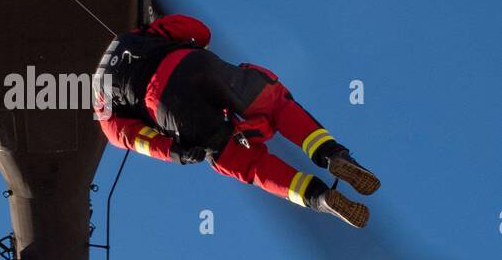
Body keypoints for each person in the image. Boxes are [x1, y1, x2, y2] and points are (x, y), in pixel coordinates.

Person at [93, 14, 380, 227]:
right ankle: (332, 154)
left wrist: (174, 152)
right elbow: (198, 30)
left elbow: (127, 137)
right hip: (197, 66)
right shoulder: (139, 34)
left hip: (170, 109)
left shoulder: (102, 102)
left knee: (246, 163)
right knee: (276, 105)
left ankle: (318, 197)